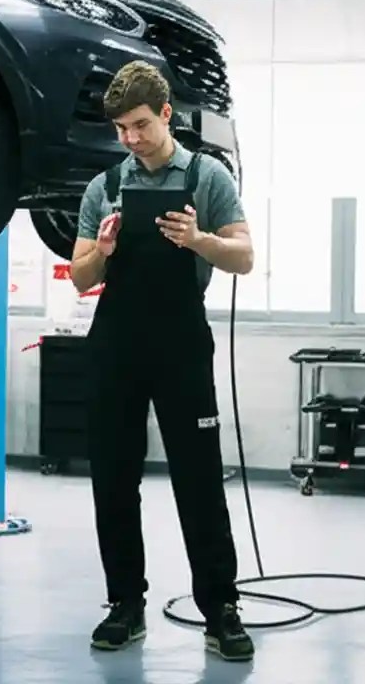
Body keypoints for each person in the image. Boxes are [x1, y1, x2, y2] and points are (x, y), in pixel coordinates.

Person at [69, 60, 257, 663]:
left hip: (181, 339)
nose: (130, 138)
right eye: (121, 128)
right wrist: (101, 251)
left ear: (167, 114)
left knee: (199, 477)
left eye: (141, 125)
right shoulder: (104, 187)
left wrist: (200, 240)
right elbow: (78, 277)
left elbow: (246, 257)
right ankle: (125, 604)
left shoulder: (208, 177)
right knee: (114, 479)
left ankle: (220, 609)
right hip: (116, 341)